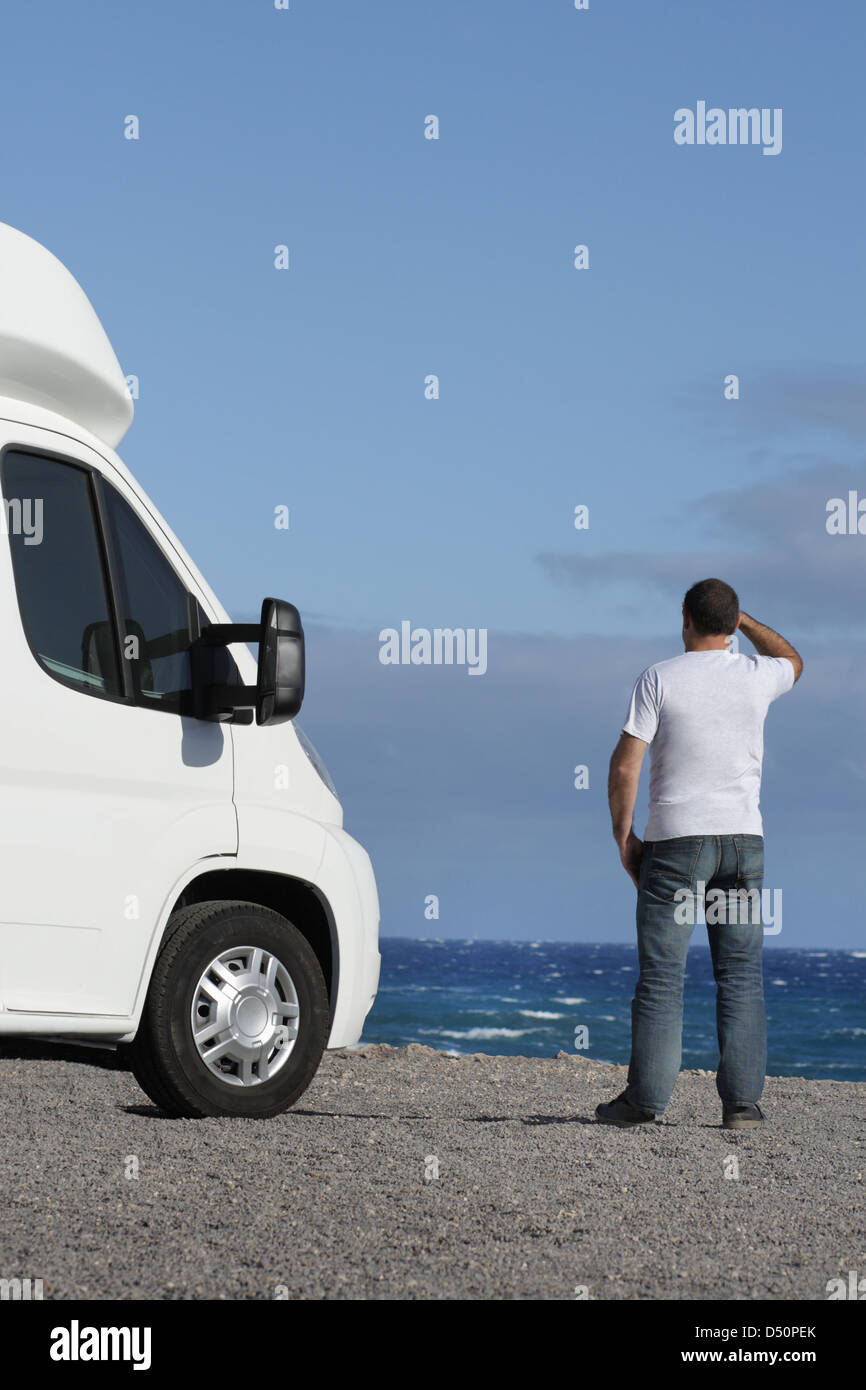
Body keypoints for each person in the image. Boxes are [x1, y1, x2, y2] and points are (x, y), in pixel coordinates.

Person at [598, 578, 802, 1129]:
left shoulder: (659, 678)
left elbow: (624, 765)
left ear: (683, 617)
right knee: (738, 974)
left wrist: (624, 835)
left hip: (677, 843)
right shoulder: (757, 676)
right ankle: (741, 1107)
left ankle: (644, 1103)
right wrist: (749, 623)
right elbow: (792, 660)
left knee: (663, 977)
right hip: (742, 844)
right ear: (734, 625)